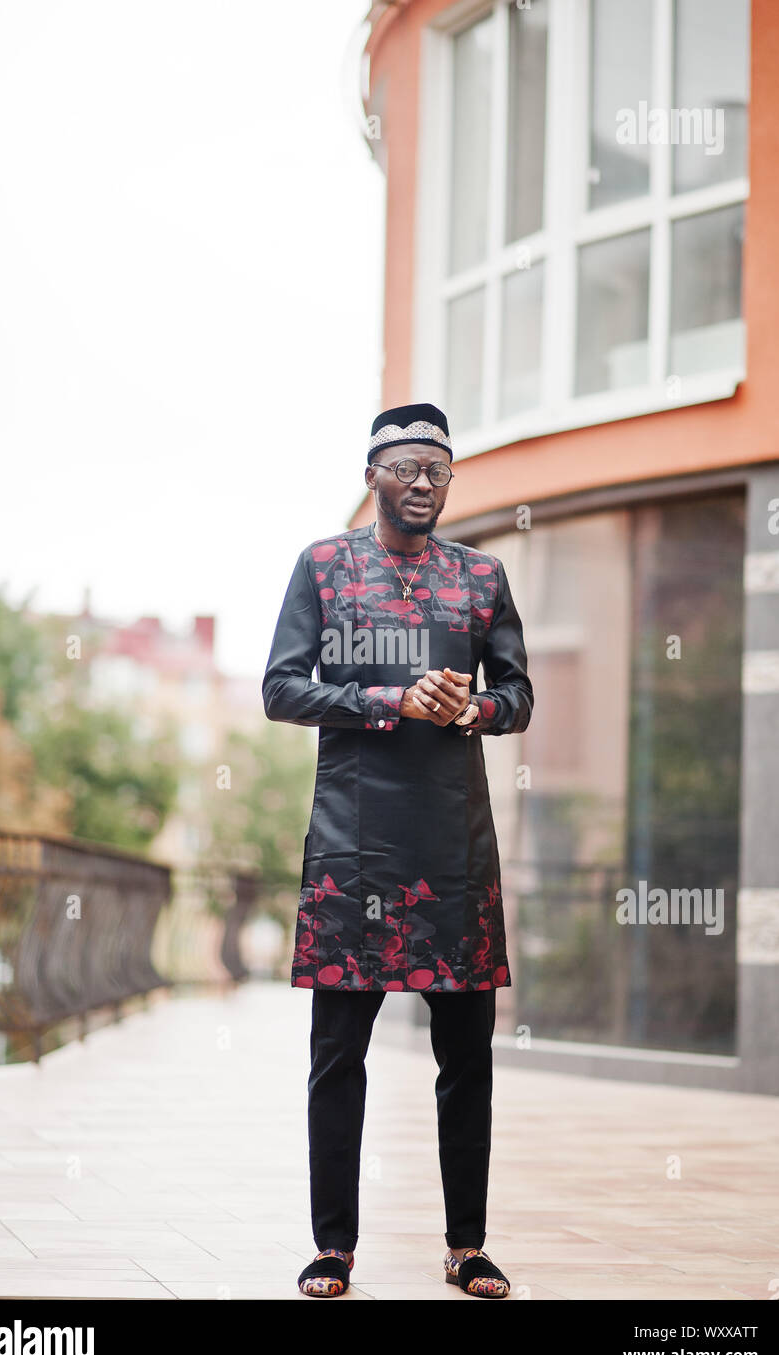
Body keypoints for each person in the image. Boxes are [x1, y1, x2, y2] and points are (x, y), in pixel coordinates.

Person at [262, 402, 534, 1299]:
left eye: (438, 470)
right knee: (338, 1056)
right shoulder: (324, 568)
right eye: (407, 468)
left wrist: (471, 709)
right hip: (354, 850)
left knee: (468, 1059)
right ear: (371, 473)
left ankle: (467, 1247)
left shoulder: (482, 578)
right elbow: (282, 689)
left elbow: (518, 696)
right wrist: (388, 699)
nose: (423, 483)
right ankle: (331, 1250)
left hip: (455, 850)